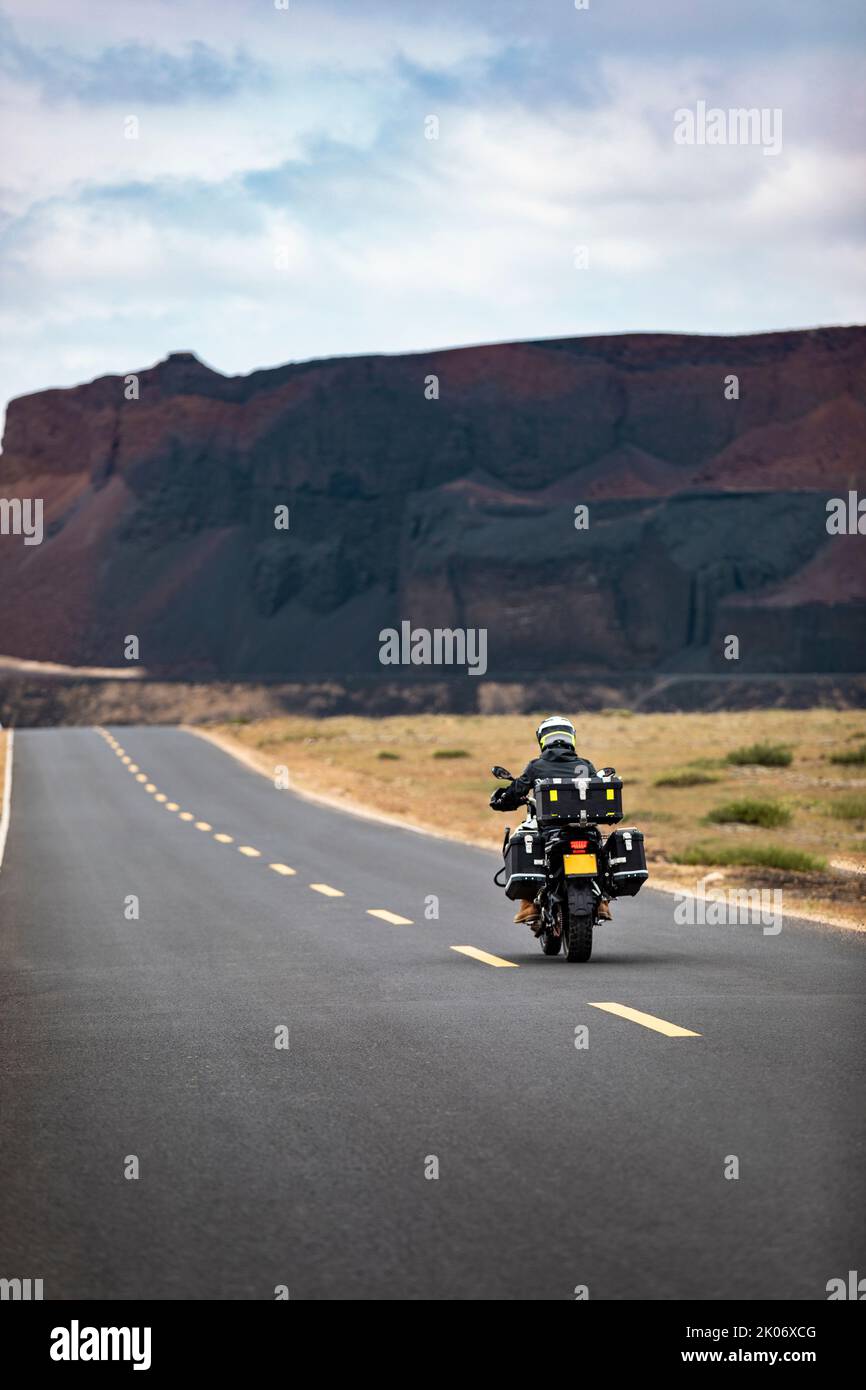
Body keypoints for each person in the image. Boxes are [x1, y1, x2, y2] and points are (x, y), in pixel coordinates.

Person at [489, 715, 613, 926]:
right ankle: (602, 900)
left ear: (543, 740)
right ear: (571, 738)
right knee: (599, 846)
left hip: (550, 831)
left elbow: (516, 791)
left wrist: (503, 799)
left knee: (526, 841)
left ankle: (529, 905)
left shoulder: (536, 766)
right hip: (585, 827)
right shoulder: (585, 765)